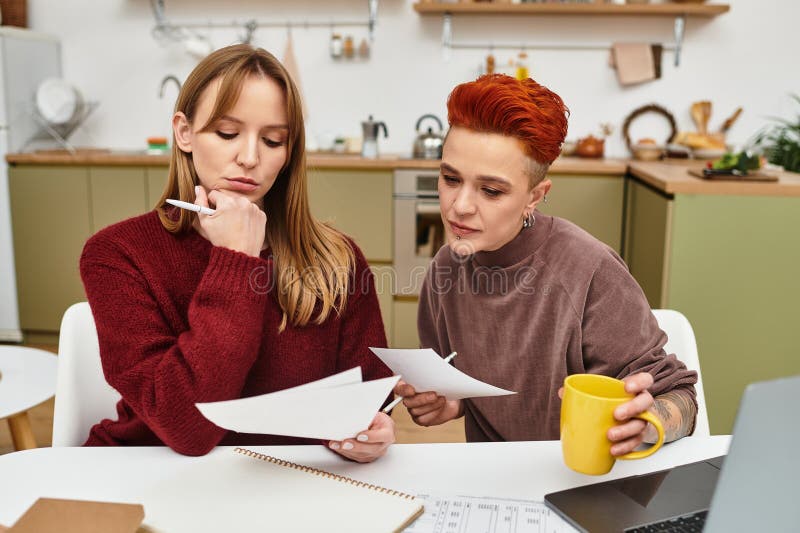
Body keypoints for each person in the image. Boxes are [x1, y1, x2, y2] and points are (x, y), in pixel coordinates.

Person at [80, 44, 394, 460]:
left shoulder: (338, 258)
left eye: (273, 139)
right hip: (152, 473)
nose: (250, 158)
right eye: (227, 133)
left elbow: (370, 397)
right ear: (184, 132)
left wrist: (374, 431)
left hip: (291, 484)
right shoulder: (117, 254)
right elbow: (187, 430)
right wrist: (237, 261)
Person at [394, 74, 698, 456]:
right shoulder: (445, 268)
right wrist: (449, 403)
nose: (460, 206)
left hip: (585, 486)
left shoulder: (591, 271)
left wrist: (650, 420)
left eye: (491, 190)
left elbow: (682, 399)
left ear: (535, 196)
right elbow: (463, 386)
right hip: (496, 485)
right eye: (450, 178)